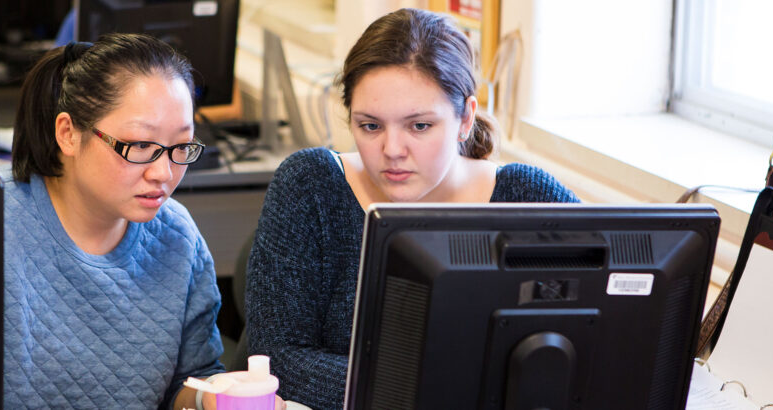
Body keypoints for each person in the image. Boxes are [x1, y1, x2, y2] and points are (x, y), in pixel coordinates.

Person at [244, 8, 580, 410]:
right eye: (370, 126)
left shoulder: (526, 196)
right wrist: (436, 390)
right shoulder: (311, 185)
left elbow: (598, 339)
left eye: (419, 126)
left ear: (465, 118)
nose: (392, 150)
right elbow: (276, 360)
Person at [2, 33, 224, 409]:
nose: (163, 173)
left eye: (181, 147)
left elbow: (190, 380)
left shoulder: (177, 236)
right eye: (140, 145)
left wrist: (213, 398)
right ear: (68, 134)